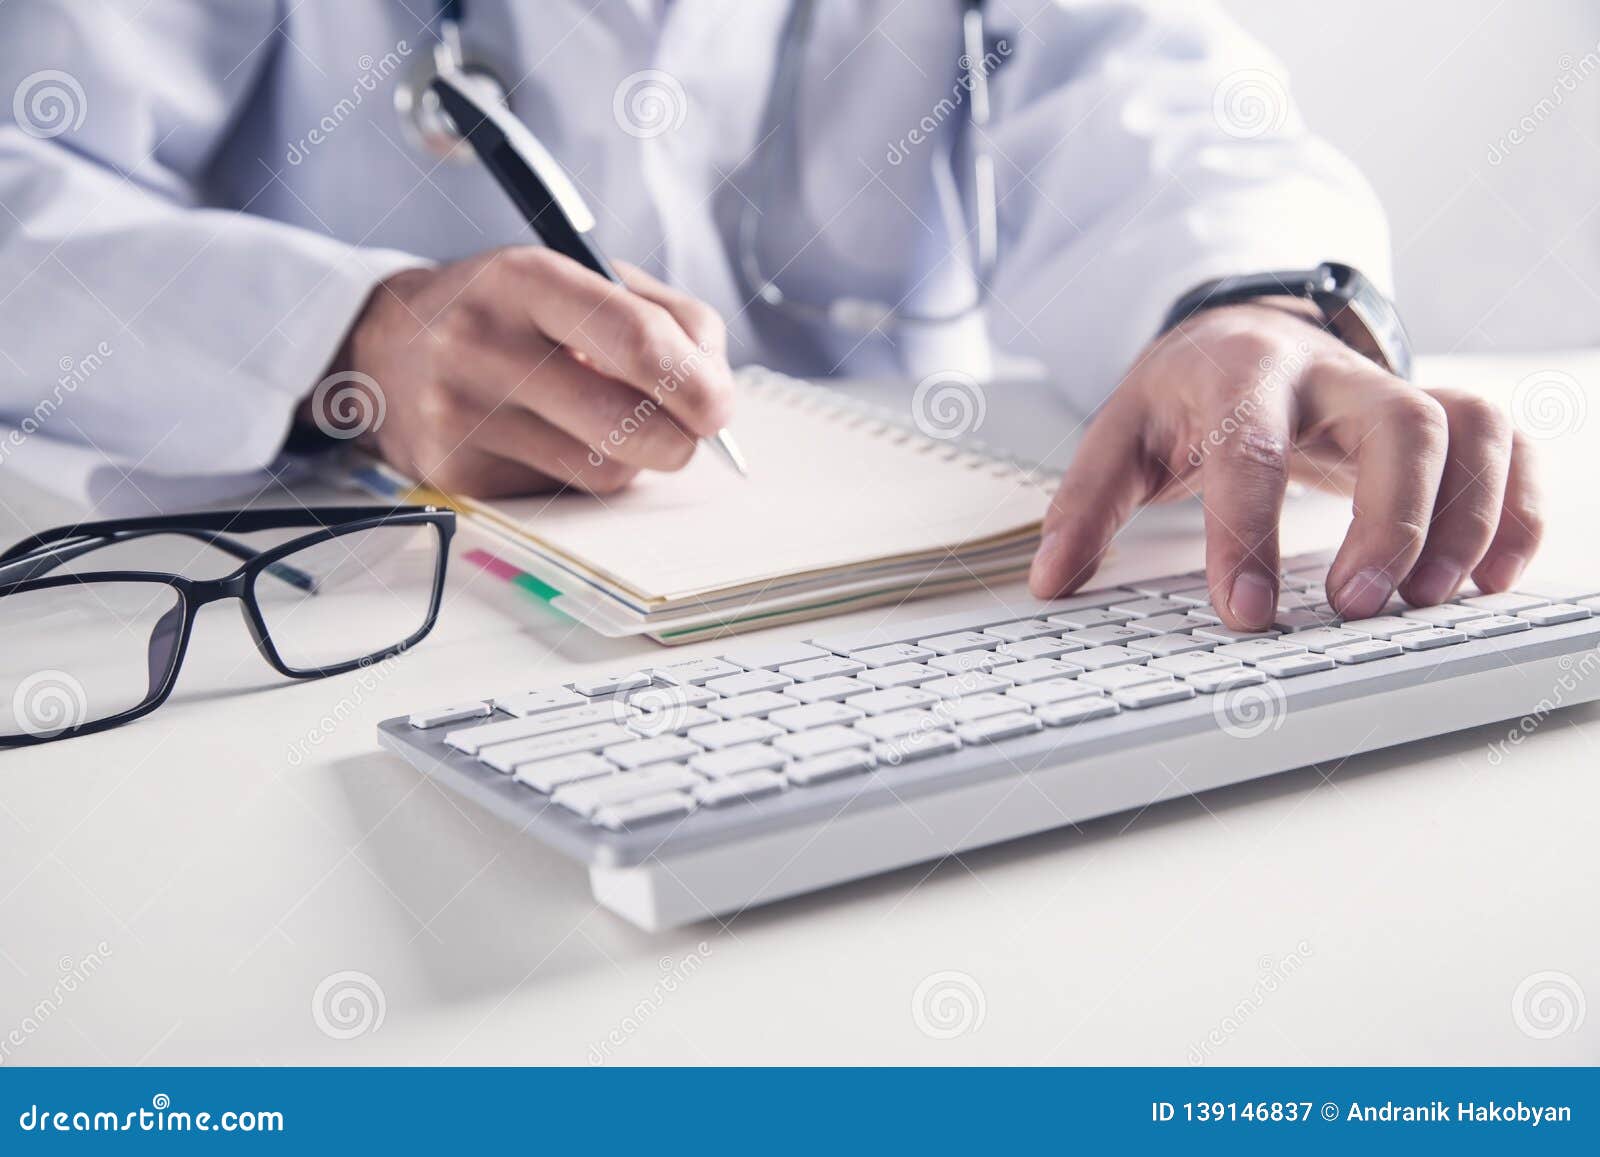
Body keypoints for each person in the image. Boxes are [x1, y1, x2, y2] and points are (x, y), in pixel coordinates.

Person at [0, 1, 1539, 632]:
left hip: (923, 604)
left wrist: (1255, 300)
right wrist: (352, 339)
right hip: (399, 601)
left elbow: (1149, 78)